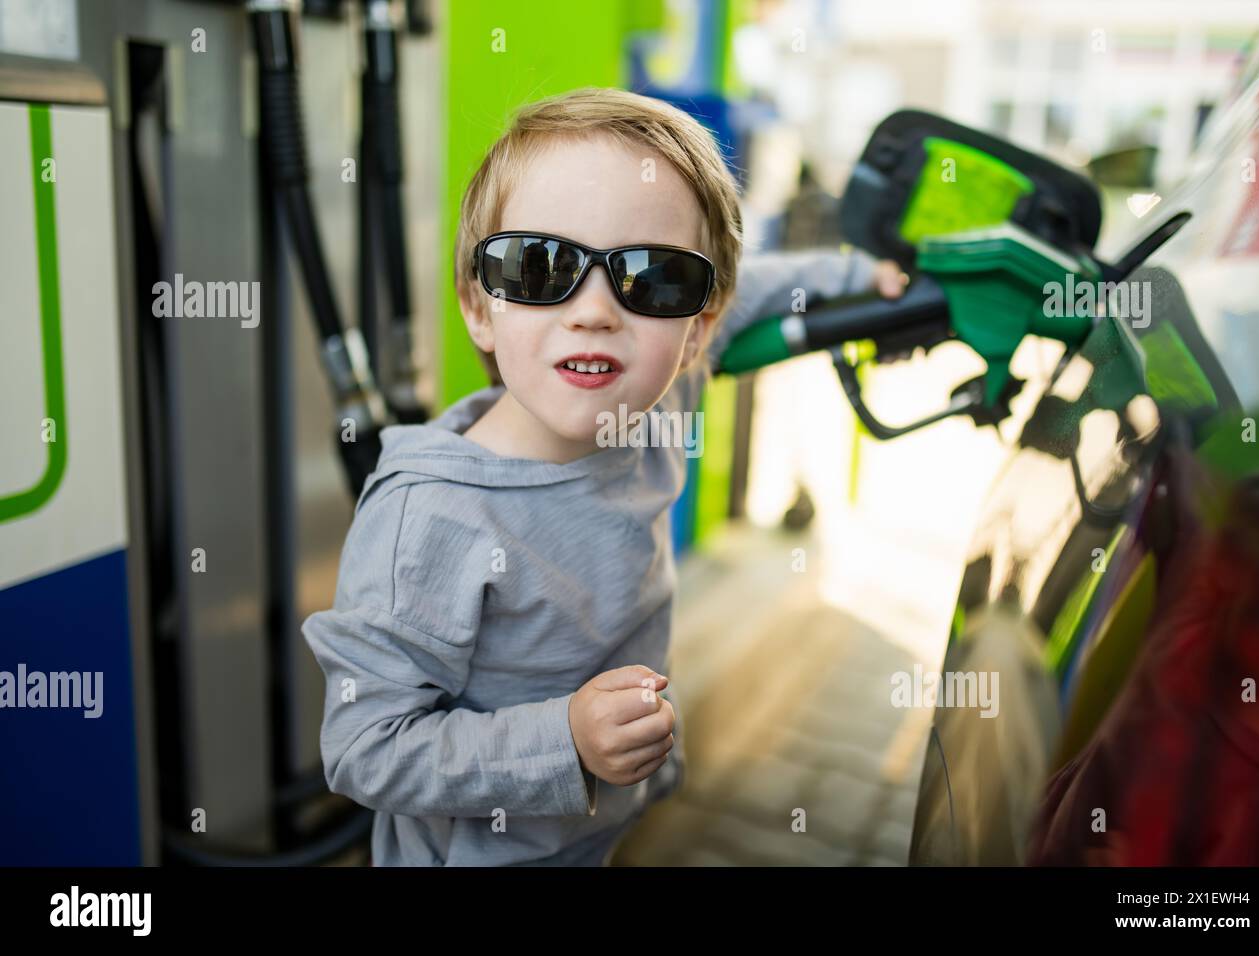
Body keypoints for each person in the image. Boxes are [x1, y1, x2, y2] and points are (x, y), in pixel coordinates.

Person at [302, 87, 904, 866]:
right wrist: (566, 741)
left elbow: (748, 286)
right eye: (540, 265)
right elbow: (364, 746)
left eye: (653, 278)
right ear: (478, 309)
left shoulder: (652, 398)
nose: (593, 311)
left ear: (697, 329)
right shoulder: (434, 518)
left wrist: (865, 277)